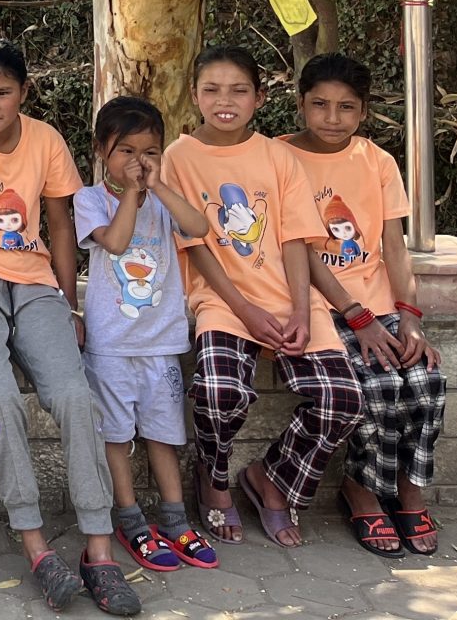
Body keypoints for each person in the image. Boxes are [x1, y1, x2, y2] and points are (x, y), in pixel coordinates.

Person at [0, 38, 137, 614]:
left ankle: (98, 549)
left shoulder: (46, 139)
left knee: (74, 395)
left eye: (2, 92)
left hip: (35, 283)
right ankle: (35, 545)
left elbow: (58, 224)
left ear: (24, 91)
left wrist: (69, 302)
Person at [163, 45, 364, 549]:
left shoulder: (279, 156)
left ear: (259, 97)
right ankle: (214, 479)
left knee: (343, 399)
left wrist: (300, 308)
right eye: (211, 89)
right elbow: (198, 246)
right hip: (223, 301)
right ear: (194, 95)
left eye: (238, 90)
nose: (224, 101)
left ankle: (273, 482)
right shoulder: (179, 157)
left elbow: (296, 237)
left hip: (292, 297)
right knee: (217, 393)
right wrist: (245, 310)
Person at [282, 52, 446, 558]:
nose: (333, 119)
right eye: (320, 105)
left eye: (346, 108)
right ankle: (362, 489)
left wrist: (411, 318)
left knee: (425, 382)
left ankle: (408, 489)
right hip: (322, 305)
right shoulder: (278, 157)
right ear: (300, 103)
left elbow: (393, 247)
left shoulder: (376, 161)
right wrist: (357, 315)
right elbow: (299, 250)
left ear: (364, 111)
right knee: (373, 385)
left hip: (378, 306)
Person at [73, 96, 218, 574]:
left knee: (163, 433)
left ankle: (175, 520)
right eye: (126, 151)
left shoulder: (164, 197)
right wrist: (134, 195)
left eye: (150, 151)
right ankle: (130, 518)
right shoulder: (90, 199)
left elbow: (199, 227)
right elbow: (114, 241)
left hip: (162, 343)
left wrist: (159, 186)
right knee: (116, 436)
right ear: (100, 151)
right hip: (111, 345)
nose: (139, 162)